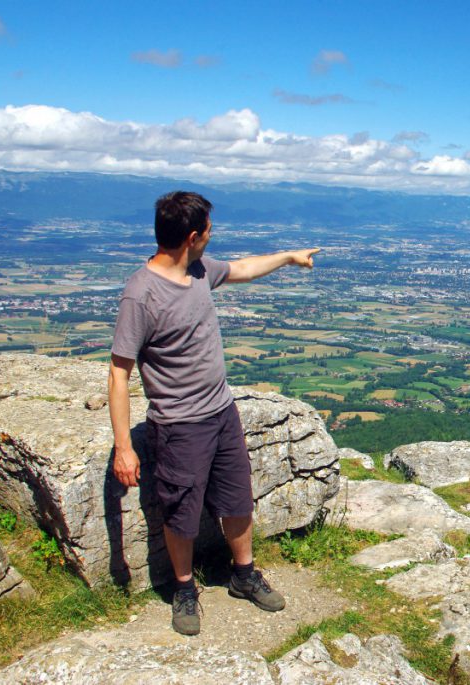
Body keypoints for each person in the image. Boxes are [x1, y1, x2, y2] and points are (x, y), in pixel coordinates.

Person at [108, 190, 319, 636]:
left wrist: (286, 257)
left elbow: (242, 269)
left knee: (237, 497)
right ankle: (184, 588)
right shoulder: (141, 295)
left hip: (222, 412)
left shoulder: (199, 270)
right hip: (179, 424)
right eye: (207, 230)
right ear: (191, 236)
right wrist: (124, 447)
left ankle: (243, 574)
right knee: (181, 511)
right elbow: (118, 372)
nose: (211, 235)